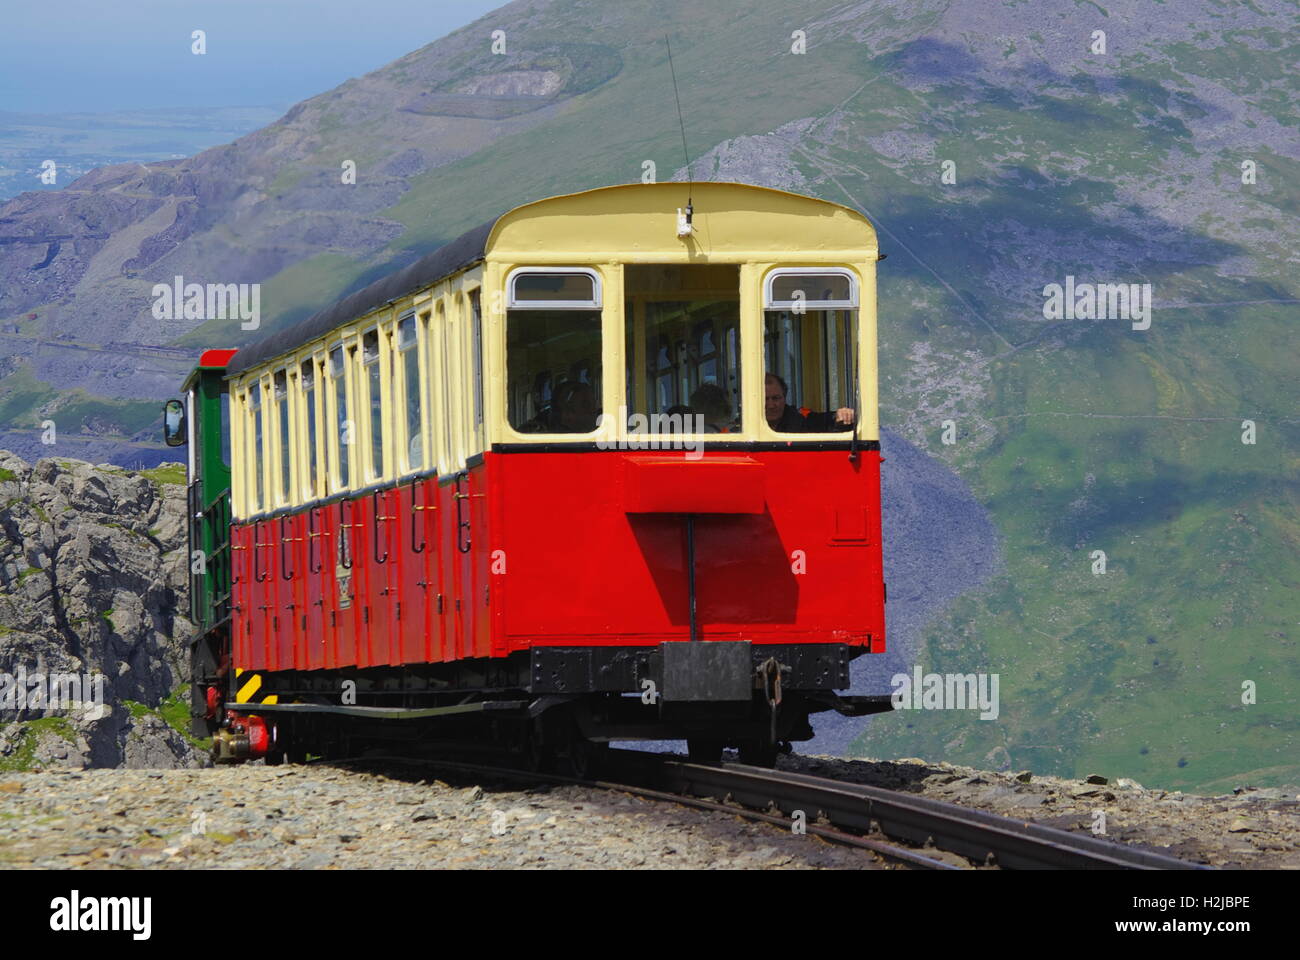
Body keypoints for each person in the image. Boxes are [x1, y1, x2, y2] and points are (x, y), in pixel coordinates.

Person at [765, 373, 855, 432]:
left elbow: (824, 422)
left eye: (776, 398)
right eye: (765, 399)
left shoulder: (799, 420)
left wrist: (840, 416)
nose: (771, 405)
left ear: (784, 398)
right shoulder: (750, 429)